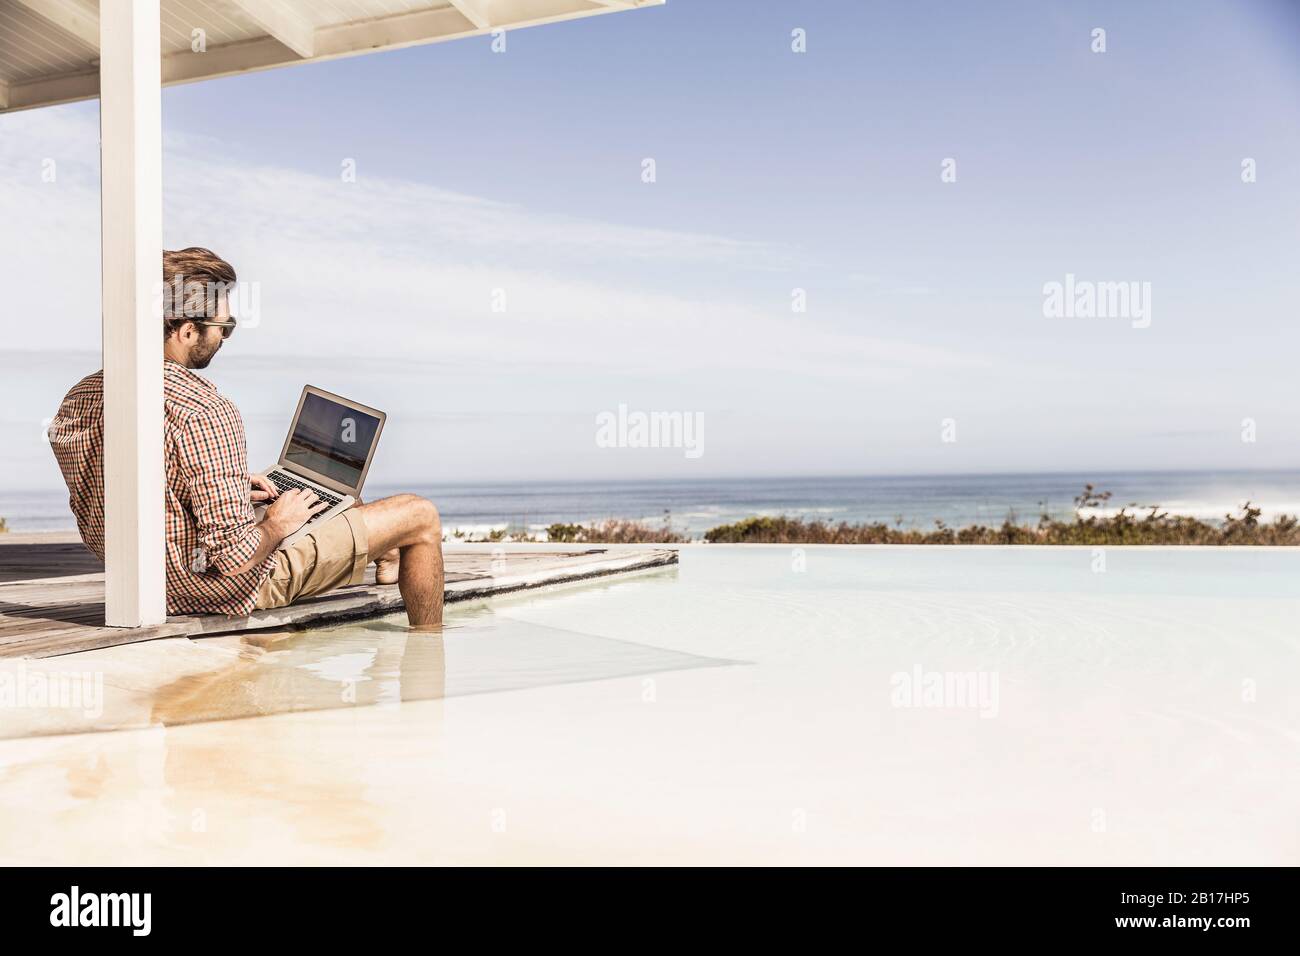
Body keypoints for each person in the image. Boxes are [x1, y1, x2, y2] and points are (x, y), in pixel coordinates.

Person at [49, 247, 443, 628]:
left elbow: (125, 481)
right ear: (187, 331)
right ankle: (428, 652)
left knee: (336, 499)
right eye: (225, 328)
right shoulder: (204, 410)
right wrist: (275, 524)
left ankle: (386, 551)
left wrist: (226, 482)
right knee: (419, 514)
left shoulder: (81, 396)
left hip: (143, 581)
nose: (225, 338)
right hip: (219, 587)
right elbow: (234, 558)